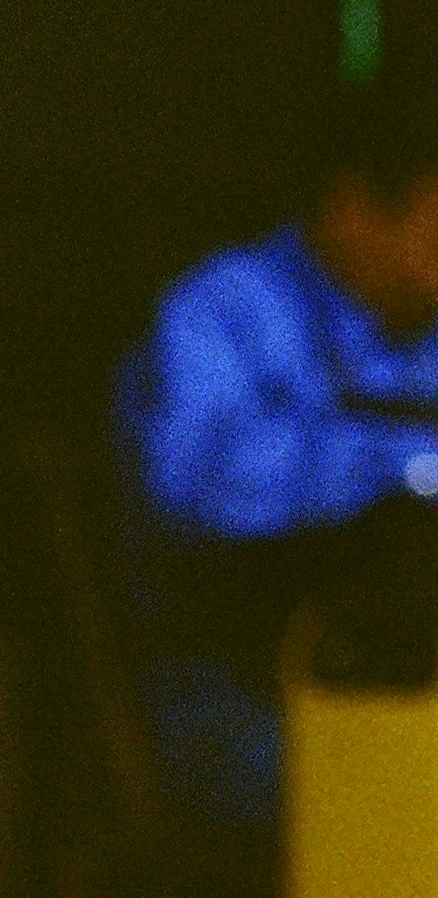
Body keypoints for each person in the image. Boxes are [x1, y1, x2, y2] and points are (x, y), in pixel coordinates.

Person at [115, 82, 438, 821]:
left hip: (405, 678)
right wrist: (397, 468)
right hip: (239, 686)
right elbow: (198, 487)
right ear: (355, 208)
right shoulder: (225, 312)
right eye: (434, 229)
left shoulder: (421, 326)